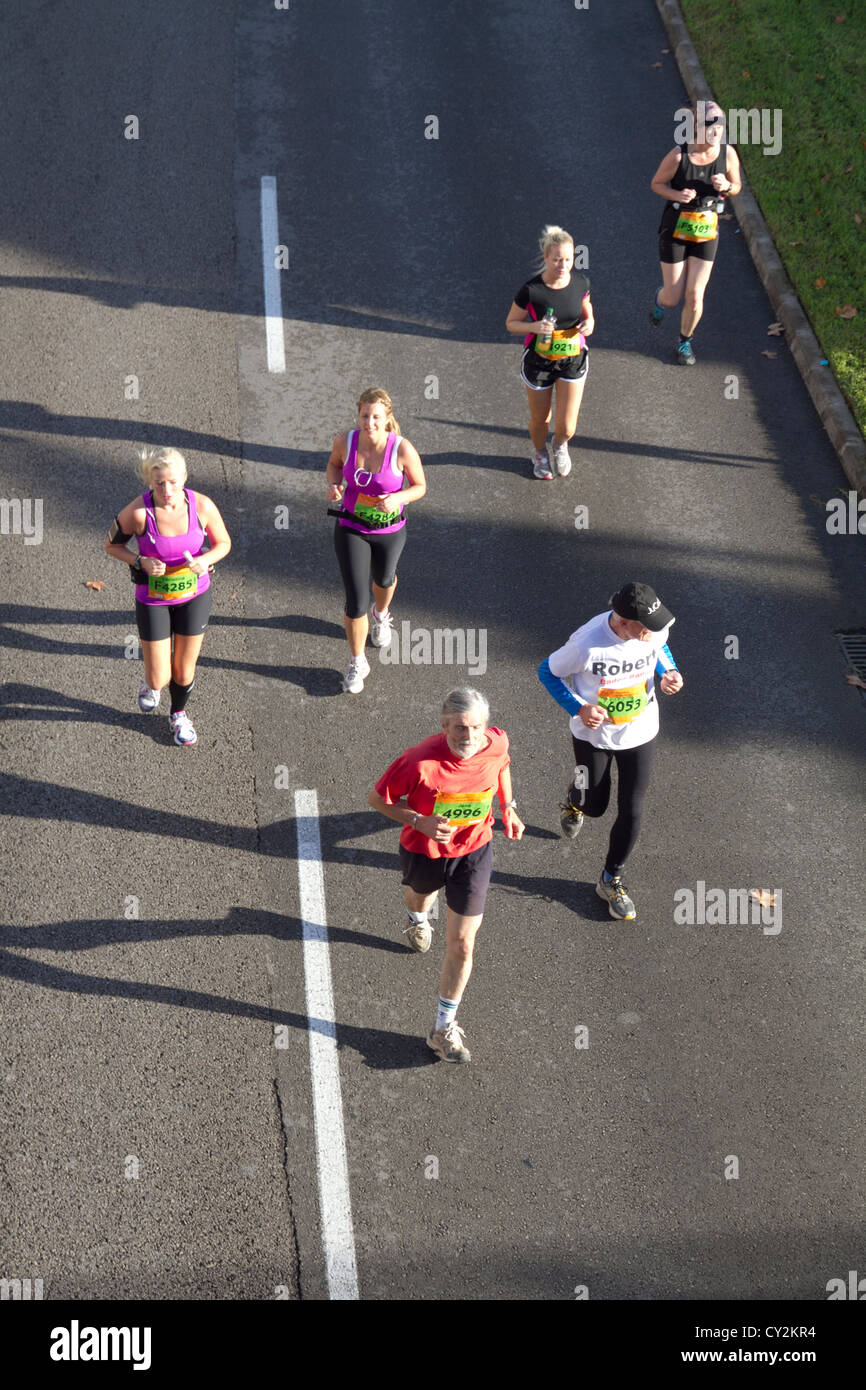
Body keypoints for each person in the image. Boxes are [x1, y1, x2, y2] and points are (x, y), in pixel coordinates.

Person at [369, 688, 525, 1063]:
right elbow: (378, 800)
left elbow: (502, 765)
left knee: (463, 944)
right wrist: (418, 820)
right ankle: (416, 917)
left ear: (486, 727)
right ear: (444, 726)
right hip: (425, 852)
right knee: (419, 897)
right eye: (459, 729)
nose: (468, 738)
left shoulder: (495, 743)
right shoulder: (419, 761)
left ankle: (442, 1028)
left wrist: (509, 808)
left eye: (475, 728)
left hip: (473, 852)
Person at [537, 583, 683, 921]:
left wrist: (668, 674)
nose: (655, 633)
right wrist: (579, 708)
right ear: (622, 622)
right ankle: (575, 799)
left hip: (641, 729)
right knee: (596, 805)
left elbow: (661, 651)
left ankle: (611, 878)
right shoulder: (587, 644)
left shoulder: (652, 631)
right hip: (594, 736)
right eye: (647, 629)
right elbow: (548, 671)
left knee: (632, 808)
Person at [105, 447, 231, 745]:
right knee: (160, 676)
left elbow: (224, 542)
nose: (167, 490)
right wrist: (139, 561)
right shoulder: (138, 513)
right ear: (150, 482)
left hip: (194, 596)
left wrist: (206, 560)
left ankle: (178, 715)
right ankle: (151, 686)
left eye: (173, 482)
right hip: (154, 600)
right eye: (159, 483)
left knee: (184, 669)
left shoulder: (202, 506)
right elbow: (111, 545)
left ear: (184, 479)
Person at [326, 388, 426, 694]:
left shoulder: (402, 449)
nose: (369, 422)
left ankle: (381, 615)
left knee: (384, 579)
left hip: (389, 531)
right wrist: (334, 485)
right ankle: (358, 661)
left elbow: (420, 486)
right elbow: (332, 465)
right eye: (365, 416)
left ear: (387, 419)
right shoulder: (346, 441)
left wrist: (397, 498)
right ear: (358, 415)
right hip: (351, 527)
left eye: (376, 417)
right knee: (356, 600)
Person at [649, 99, 742, 365]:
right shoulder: (679, 156)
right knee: (673, 296)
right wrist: (678, 193)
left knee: (694, 294)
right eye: (710, 125)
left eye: (720, 125)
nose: (716, 131)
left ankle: (684, 342)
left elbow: (737, 186)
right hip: (676, 230)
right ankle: (659, 297)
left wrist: (726, 185)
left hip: (706, 233)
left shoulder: (728, 155)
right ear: (695, 127)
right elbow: (656, 184)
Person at [505, 225, 594, 479]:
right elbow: (511, 324)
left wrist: (589, 324)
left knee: (567, 426)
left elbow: (588, 311)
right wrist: (535, 326)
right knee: (540, 419)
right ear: (545, 258)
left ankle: (560, 445)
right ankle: (540, 452)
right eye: (556, 259)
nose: (562, 265)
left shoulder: (580, 283)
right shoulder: (532, 290)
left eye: (567, 259)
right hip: (538, 361)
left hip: (572, 360)